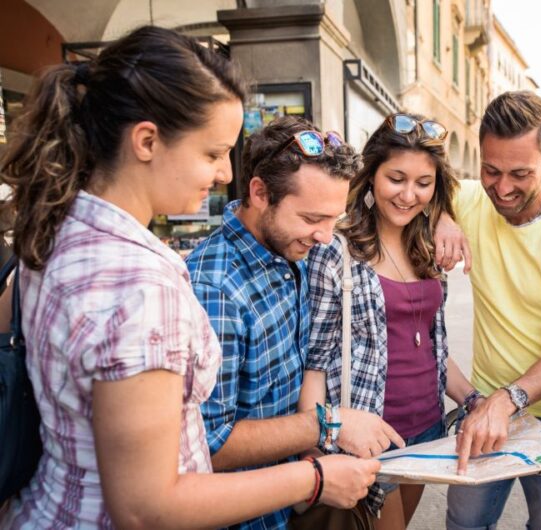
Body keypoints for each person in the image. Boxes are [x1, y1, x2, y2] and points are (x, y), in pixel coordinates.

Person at [0, 26, 377, 528]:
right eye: (212, 152)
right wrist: (316, 478)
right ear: (147, 141)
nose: (225, 174)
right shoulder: (142, 285)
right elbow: (145, 506)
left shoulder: (57, 231)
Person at [186, 115, 400, 530]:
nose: (325, 237)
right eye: (311, 219)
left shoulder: (291, 248)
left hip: (292, 506)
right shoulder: (214, 289)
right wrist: (330, 425)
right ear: (260, 193)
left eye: (332, 219)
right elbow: (207, 444)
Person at [436, 91, 541, 530]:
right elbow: (414, 180)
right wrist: (438, 214)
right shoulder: (468, 198)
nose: (503, 187)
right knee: (465, 523)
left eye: (520, 173)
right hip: (485, 405)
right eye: (491, 171)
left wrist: (507, 401)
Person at [299, 113, 479, 530]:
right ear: (372, 175)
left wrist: (473, 399)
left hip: (426, 434)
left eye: (423, 182)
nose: (408, 195)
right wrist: (319, 446)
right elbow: (316, 361)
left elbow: (434, 349)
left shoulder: (430, 248)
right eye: (396, 178)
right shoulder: (337, 251)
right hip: (367, 439)